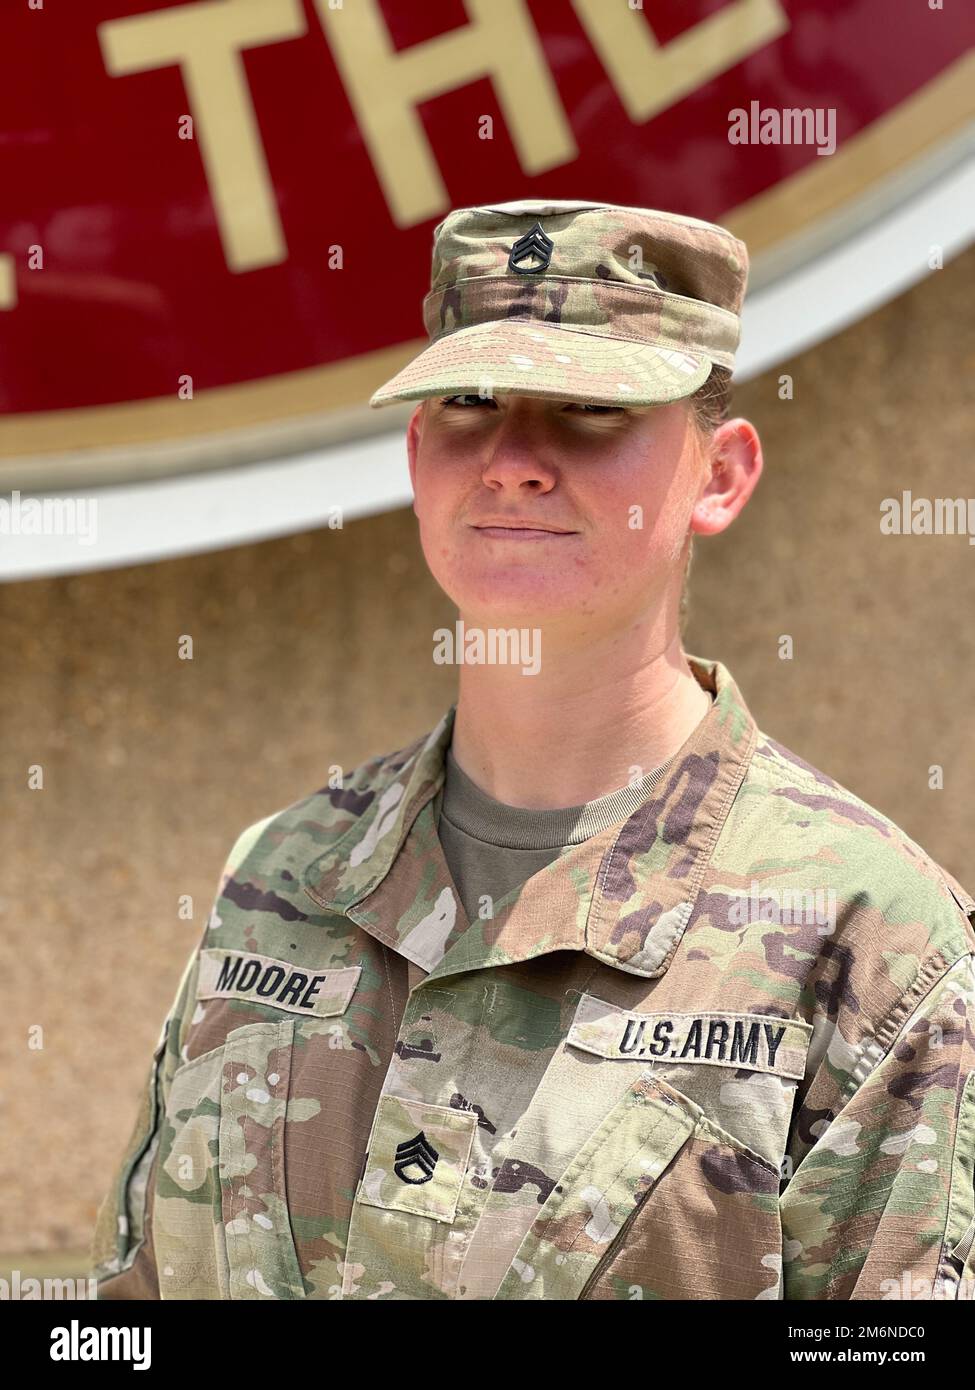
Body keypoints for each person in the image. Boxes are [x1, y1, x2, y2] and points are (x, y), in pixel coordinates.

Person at [90, 198, 975, 1301]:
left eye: (593, 406)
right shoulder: (282, 875)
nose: (512, 460)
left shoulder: (867, 940)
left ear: (722, 473)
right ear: (418, 455)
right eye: (468, 402)